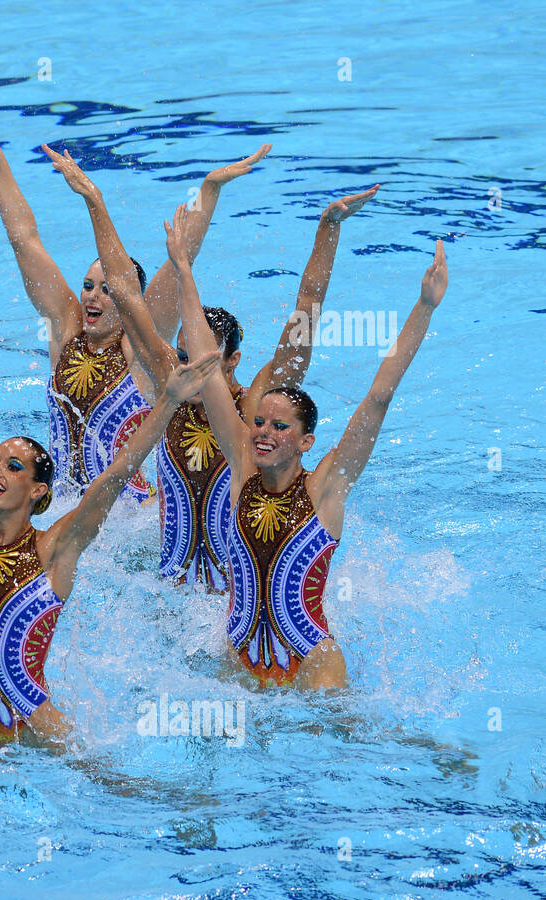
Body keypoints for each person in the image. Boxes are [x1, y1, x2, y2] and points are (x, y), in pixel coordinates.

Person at [0, 288, 220, 744]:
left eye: (13, 467)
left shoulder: (53, 549)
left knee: (116, 792)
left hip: (36, 731)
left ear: (38, 490)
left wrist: (166, 402)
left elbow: (115, 475)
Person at [41, 148, 378, 591]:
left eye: (201, 357)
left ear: (233, 360)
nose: (188, 366)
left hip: (231, 596)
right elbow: (125, 292)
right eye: (182, 354)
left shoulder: (252, 414)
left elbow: (305, 317)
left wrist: (328, 230)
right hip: (167, 590)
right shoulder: (171, 386)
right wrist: (93, 199)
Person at [169, 205, 448, 689]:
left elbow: (378, 398)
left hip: (311, 666)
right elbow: (202, 359)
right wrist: (183, 269)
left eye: (279, 427)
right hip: (238, 659)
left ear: (305, 441)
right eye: (258, 422)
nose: (262, 432)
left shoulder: (326, 487)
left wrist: (424, 307)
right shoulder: (241, 468)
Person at [0, 107, 269, 502]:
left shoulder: (140, 349)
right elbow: (24, 239)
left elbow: (180, 261)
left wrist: (209, 190)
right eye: (87, 285)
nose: (92, 295)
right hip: (61, 508)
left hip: (128, 520)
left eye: (105, 290)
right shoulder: (66, 329)